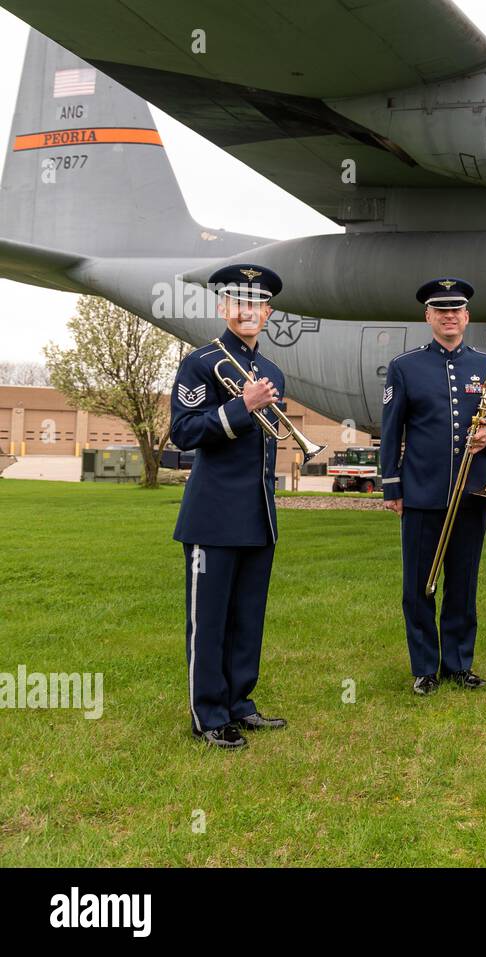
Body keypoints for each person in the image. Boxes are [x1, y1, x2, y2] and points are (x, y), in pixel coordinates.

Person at [380, 278, 486, 694]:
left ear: (467, 316)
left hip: (472, 491)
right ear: (429, 317)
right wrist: (392, 487)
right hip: (423, 490)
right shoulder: (405, 367)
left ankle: (458, 664)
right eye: (441, 311)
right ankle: (425, 667)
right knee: (419, 584)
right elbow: (391, 432)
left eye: (456, 310)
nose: (449, 317)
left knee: (463, 581)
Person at [171, 263, 289, 750]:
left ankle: (241, 703)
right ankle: (209, 715)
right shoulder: (201, 362)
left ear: (268, 312)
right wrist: (241, 408)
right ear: (224, 308)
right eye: (238, 302)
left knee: (247, 618)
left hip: (257, 515)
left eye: (257, 303)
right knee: (210, 621)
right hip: (213, 517)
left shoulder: (273, 371)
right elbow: (183, 431)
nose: (248, 311)